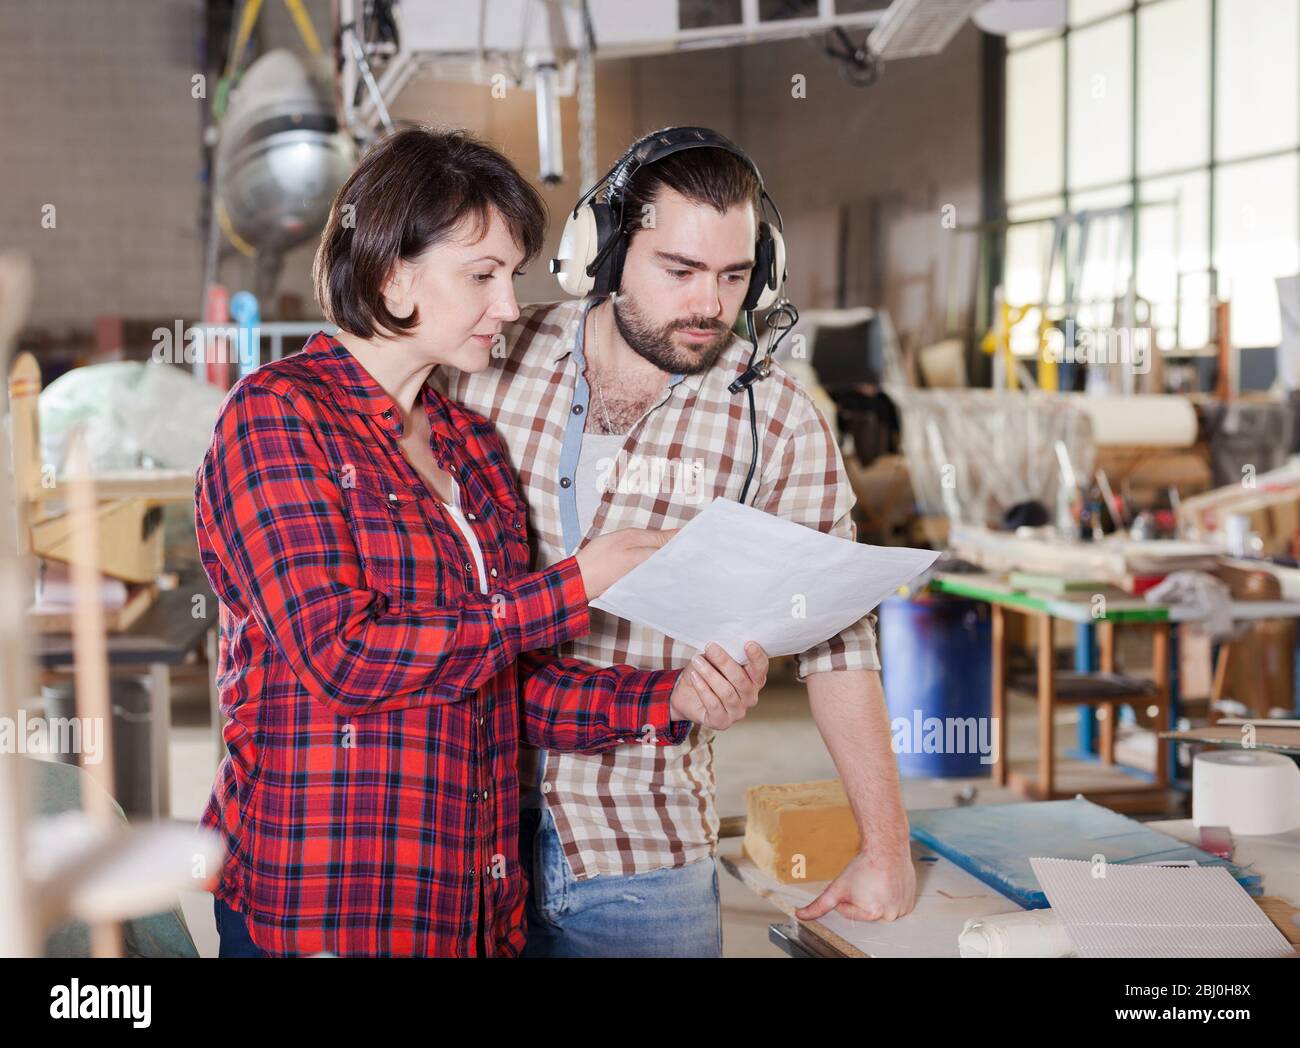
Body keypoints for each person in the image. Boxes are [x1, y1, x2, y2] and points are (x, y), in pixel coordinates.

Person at [195, 125, 769, 958]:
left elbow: (506, 683)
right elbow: (343, 657)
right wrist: (573, 586)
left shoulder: (468, 443)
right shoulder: (278, 418)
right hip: (326, 903)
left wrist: (670, 699)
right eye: (482, 276)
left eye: (512, 276)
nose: (509, 307)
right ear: (394, 274)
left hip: (465, 907)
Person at [434, 127, 915, 958]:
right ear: (604, 253)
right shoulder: (488, 362)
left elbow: (840, 642)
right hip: (459, 827)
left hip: (642, 846)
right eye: (680, 271)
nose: (708, 306)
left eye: (734, 277)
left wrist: (887, 849)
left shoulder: (779, 420)